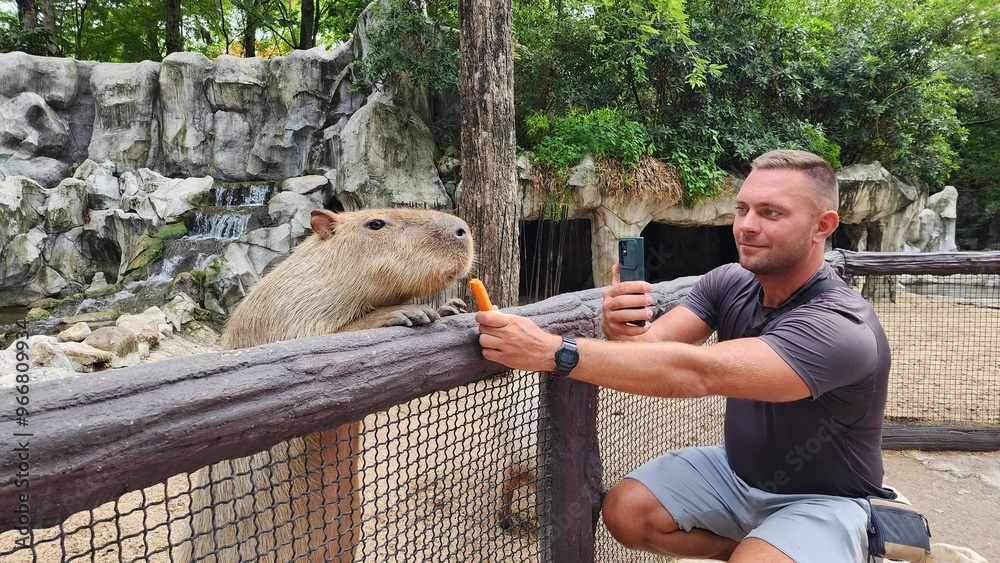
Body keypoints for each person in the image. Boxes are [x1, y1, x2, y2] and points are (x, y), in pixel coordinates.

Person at [475, 149, 893, 562]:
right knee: (625, 511)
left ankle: (826, 547)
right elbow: (652, 349)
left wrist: (553, 352)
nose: (746, 226)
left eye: (770, 213)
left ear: (823, 226)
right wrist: (620, 326)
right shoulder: (730, 281)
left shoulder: (840, 325)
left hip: (826, 498)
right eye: (742, 208)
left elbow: (697, 373)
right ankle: (743, 550)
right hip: (735, 472)